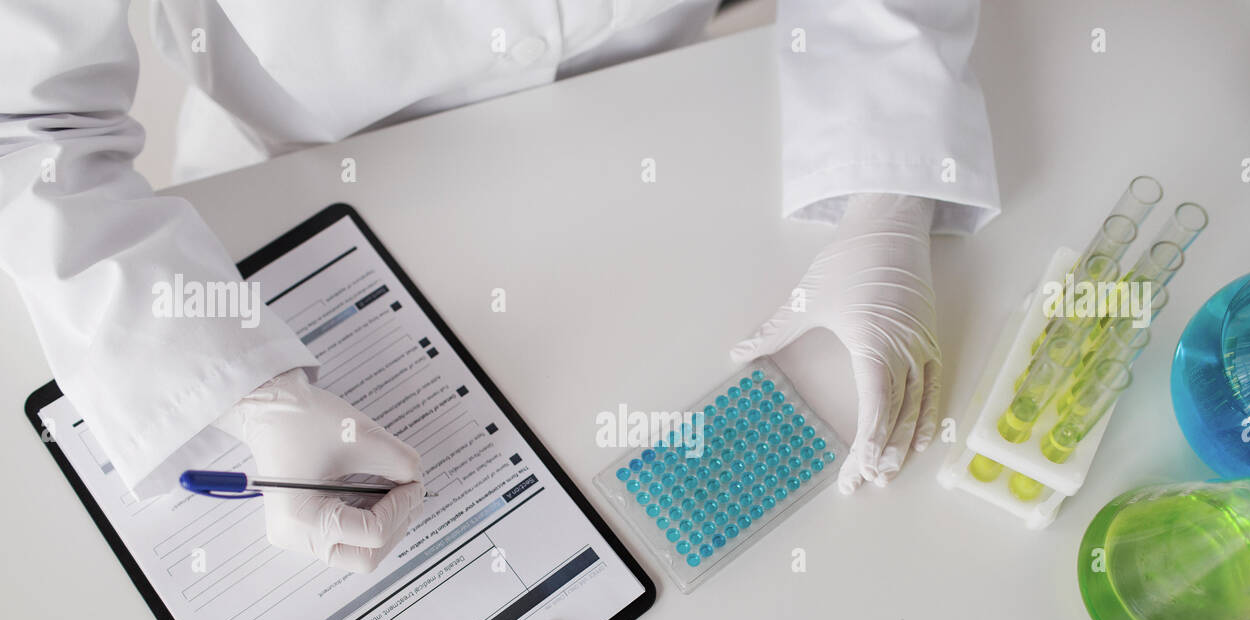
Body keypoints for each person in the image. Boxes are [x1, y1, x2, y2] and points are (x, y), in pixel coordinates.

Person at [0, 0, 999, 571]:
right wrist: (240, 386)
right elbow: (29, 132)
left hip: (671, 134)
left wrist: (886, 183)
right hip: (313, 184)